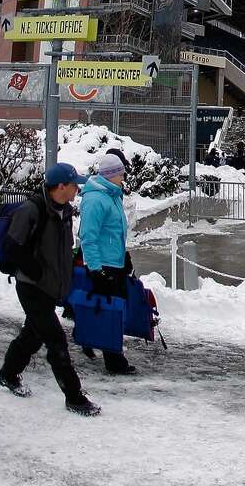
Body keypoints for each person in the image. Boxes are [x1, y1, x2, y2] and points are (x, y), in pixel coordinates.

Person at [0, 162, 101, 416]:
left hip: (49, 287)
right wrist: (34, 270)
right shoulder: (32, 211)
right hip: (31, 286)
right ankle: (74, 397)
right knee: (56, 341)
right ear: (61, 186)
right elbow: (12, 246)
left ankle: (8, 374)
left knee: (32, 335)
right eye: (74, 184)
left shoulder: (63, 211)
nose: (78, 188)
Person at [80, 151, 137, 375]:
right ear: (111, 175)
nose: (123, 178)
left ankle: (91, 340)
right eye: (121, 174)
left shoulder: (113, 195)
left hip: (115, 261)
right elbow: (88, 237)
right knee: (109, 313)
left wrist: (124, 256)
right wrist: (95, 269)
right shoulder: (96, 199)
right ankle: (114, 361)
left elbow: (115, 232)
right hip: (103, 265)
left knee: (111, 309)